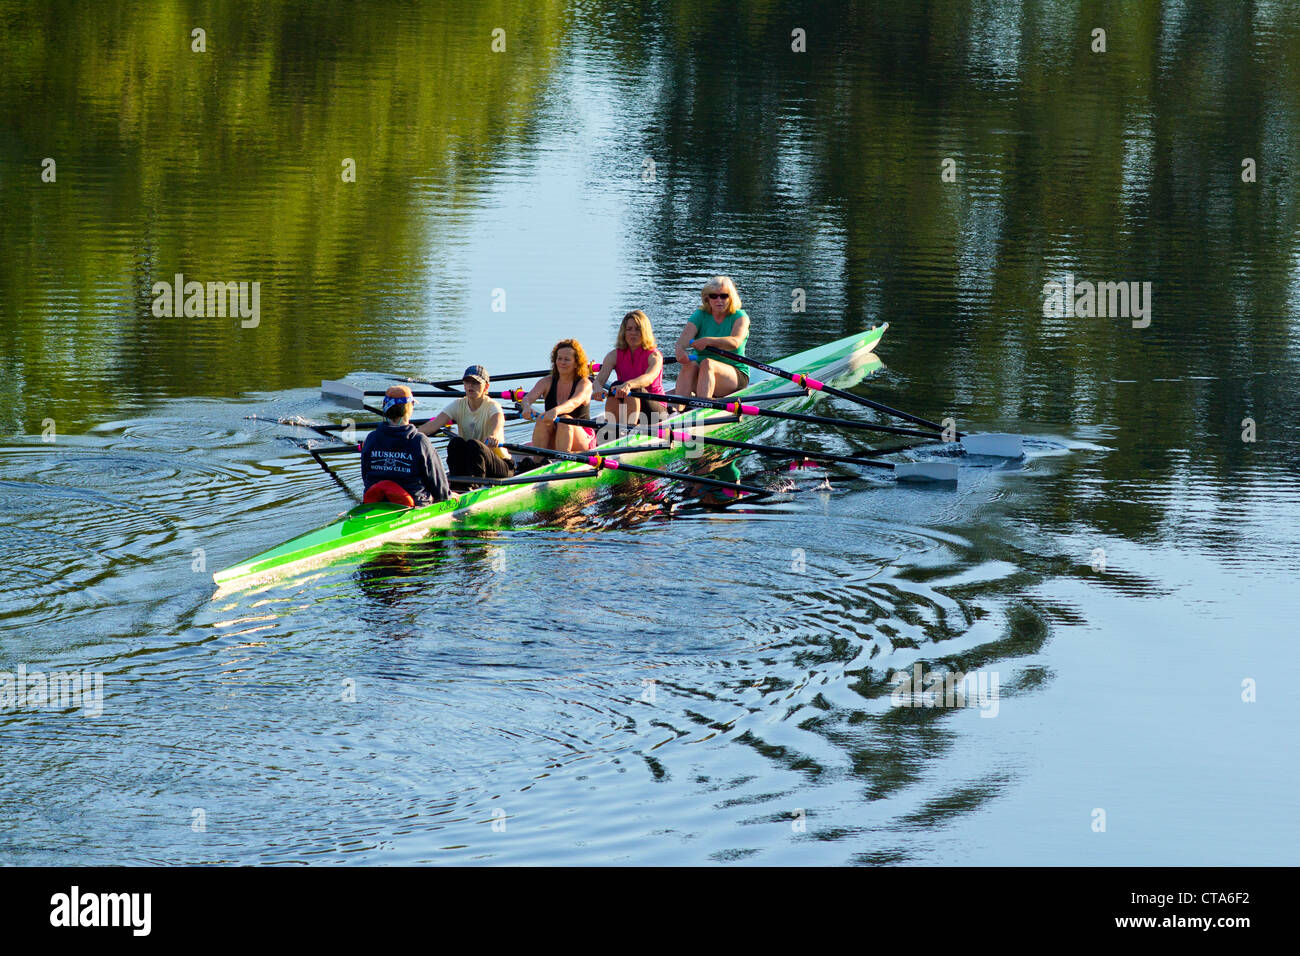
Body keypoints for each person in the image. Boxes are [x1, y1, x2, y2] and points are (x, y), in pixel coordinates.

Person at [360, 385, 454, 507]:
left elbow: (365, 475)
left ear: (385, 408)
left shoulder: (371, 438)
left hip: (374, 501)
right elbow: (437, 482)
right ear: (410, 408)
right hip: (412, 505)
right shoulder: (419, 441)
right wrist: (448, 496)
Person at [418, 365, 514, 481]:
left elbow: (498, 421)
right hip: (473, 463)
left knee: (475, 445)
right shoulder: (458, 405)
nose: (470, 386)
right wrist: (408, 433)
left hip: (501, 465)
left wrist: (494, 435)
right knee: (455, 443)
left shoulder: (492, 406)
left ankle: (475, 486)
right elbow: (433, 425)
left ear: (486, 387)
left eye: (475, 383)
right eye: (467, 382)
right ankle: (458, 483)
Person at [671, 275, 750, 401]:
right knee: (689, 365)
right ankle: (675, 411)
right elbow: (684, 339)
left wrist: (708, 341)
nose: (719, 300)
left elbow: (735, 342)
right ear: (707, 298)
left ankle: (701, 407)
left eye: (724, 296)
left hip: (735, 374)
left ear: (731, 298)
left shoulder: (740, 317)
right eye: (714, 296)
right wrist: (680, 349)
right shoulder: (700, 315)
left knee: (707, 363)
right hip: (702, 372)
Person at [517, 339, 596, 460]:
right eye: (559, 358)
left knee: (564, 420)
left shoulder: (584, 384)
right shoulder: (547, 382)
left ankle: (561, 463)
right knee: (542, 420)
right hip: (557, 436)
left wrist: (555, 411)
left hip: (582, 438)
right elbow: (527, 398)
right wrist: (526, 407)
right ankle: (538, 463)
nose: (562, 363)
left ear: (576, 363)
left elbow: (574, 402)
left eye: (567, 359)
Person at [594, 310, 667, 432]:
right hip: (629, 404)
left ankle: (629, 430)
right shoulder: (614, 355)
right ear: (624, 332)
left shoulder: (654, 356)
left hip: (655, 410)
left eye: (637, 329)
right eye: (629, 329)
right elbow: (599, 380)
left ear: (645, 332)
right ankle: (611, 428)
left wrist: (629, 384)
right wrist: (597, 389)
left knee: (632, 389)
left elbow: (648, 378)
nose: (633, 333)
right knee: (615, 386)